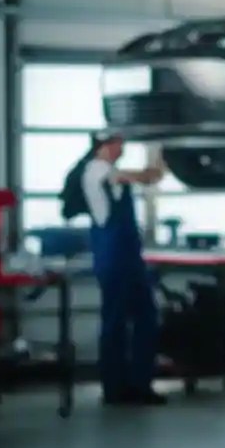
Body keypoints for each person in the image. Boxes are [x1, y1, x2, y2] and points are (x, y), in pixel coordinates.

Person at [72, 132, 167, 406]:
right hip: (114, 257)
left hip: (127, 257)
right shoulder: (98, 171)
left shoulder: (108, 171)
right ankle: (115, 389)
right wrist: (161, 153)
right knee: (116, 321)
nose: (122, 148)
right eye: (119, 144)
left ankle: (138, 384)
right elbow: (147, 177)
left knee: (145, 316)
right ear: (105, 146)